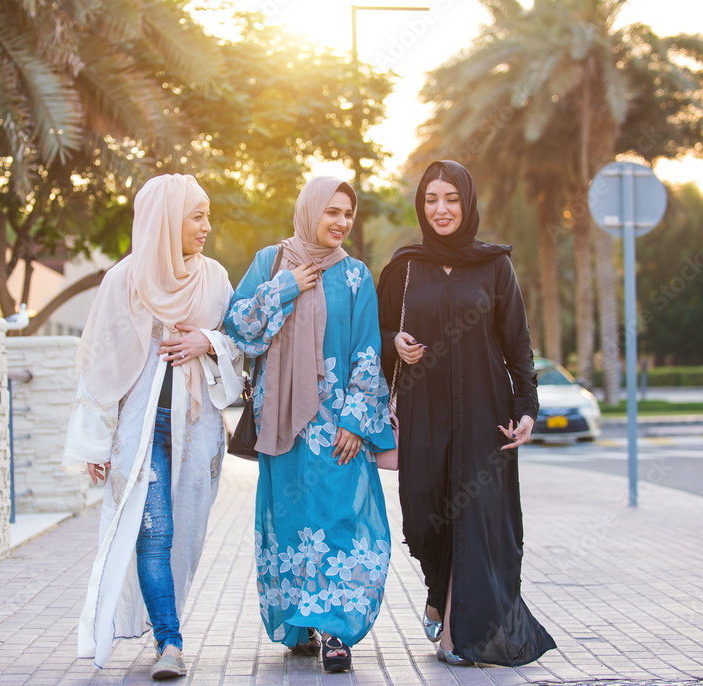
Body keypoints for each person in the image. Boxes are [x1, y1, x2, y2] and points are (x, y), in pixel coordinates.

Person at [61, 174, 242, 680]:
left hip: (197, 428)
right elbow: (99, 363)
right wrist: (97, 440)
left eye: (207, 214)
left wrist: (206, 341)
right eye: (196, 216)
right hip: (138, 431)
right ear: (165, 220)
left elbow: (238, 347)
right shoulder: (125, 279)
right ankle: (171, 643)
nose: (207, 226)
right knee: (153, 532)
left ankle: (165, 627)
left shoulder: (215, 279)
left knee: (182, 533)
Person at [376, 160, 556, 667]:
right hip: (424, 413)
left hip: (485, 414)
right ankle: (438, 590)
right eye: (431, 199)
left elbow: (518, 345)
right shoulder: (405, 267)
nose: (441, 209)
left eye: (451, 199)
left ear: (467, 203)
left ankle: (459, 634)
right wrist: (395, 341)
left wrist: (527, 410)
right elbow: (377, 330)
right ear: (421, 205)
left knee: (475, 521)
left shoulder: (495, 266)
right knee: (426, 516)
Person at [224, 176, 395, 673]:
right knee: (293, 525)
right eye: (331, 212)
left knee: (340, 521)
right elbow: (239, 330)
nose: (341, 222)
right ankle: (303, 623)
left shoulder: (357, 276)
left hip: (335, 428)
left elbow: (368, 350)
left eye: (348, 213)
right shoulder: (270, 263)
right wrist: (285, 288)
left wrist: (356, 421)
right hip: (282, 426)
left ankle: (336, 629)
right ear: (309, 212)